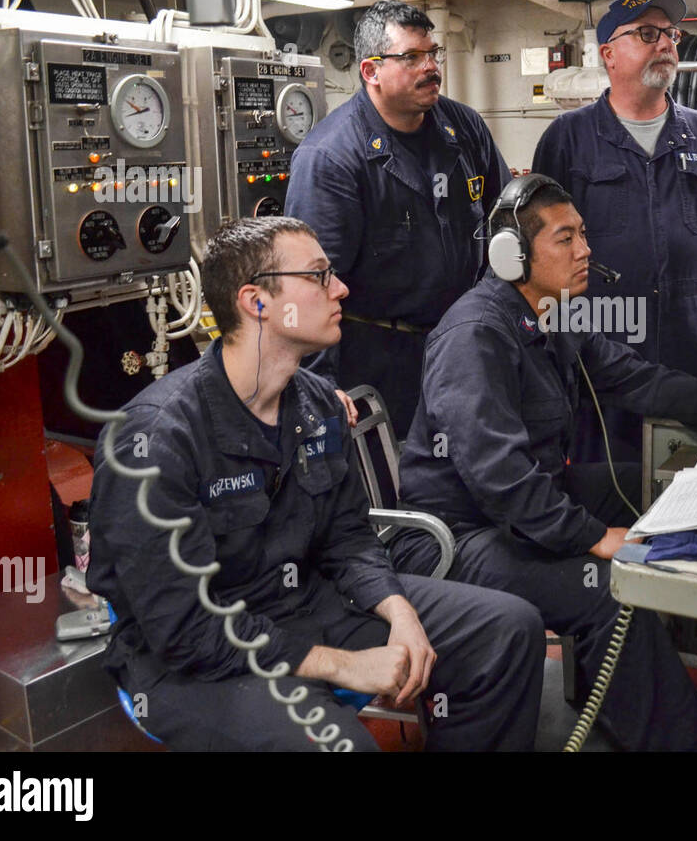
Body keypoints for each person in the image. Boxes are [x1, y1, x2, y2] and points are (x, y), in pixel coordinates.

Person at [86, 217, 544, 751]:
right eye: (320, 276)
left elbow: (349, 538)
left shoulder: (319, 403)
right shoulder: (155, 438)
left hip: (306, 603)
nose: (342, 289)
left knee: (507, 628)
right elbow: (183, 629)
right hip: (196, 661)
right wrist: (345, 665)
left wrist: (402, 614)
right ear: (256, 301)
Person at [392, 175, 697, 751]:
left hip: (522, 507)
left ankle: (633, 695)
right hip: (461, 534)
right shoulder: (475, 335)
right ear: (511, 256)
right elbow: (501, 478)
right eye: (565, 238)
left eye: (584, 236)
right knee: (607, 588)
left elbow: (634, 378)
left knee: (658, 488)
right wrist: (592, 538)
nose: (585, 251)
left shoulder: (555, 315)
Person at [531, 0, 697, 461]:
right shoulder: (568, 139)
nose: (664, 43)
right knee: (609, 469)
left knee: (696, 461)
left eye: (670, 34)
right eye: (647, 34)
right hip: (604, 335)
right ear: (607, 54)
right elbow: (541, 247)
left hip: (691, 335)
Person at [286, 0, 510, 437]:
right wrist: (318, 388)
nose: (431, 67)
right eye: (411, 57)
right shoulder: (331, 159)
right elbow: (309, 284)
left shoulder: (462, 128)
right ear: (371, 71)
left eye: (432, 53)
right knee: (397, 484)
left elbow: (506, 222)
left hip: (465, 345)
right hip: (381, 362)